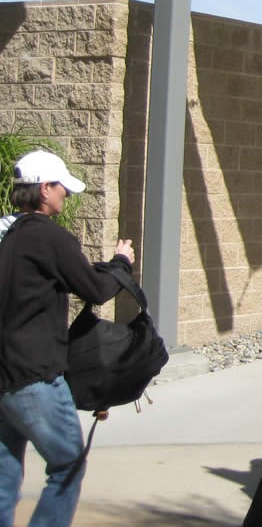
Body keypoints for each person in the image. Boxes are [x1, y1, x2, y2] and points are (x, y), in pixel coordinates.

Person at [0, 150, 135, 527]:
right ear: (44, 189)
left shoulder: (7, 235)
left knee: (5, 473)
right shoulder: (50, 238)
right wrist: (121, 262)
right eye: (62, 188)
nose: (67, 196)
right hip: (35, 376)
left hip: (3, 376)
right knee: (68, 465)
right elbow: (95, 288)